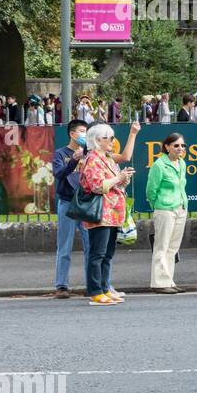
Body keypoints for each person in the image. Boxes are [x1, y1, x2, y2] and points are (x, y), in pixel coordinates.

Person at [80, 123, 135, 306]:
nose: (112, 141)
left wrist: (123, 179)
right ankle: (95, 292)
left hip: (112, 212)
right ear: (96, 140)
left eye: (112, 137)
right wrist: (118, 179)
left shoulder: (108, 158)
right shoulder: (92, 159)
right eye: (108, 138)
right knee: (98, 254)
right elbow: (97, 186)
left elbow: (113, 185)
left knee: (107, 253)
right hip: (100, 212)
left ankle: (104, 288)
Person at [51, 119, 92, 297]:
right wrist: (73, 161)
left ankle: (93, 284)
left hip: (85, 203)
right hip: (67, 203)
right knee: (64, 245)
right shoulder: (60, 154)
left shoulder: (90, 154)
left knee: (91, 246)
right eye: (82, 131)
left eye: (87, 131)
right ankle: (61, 286)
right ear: (72, 134)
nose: (85, 135)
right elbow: (59, 174)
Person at [147, 132, 189, 293]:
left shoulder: (182, 163)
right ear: (167, 147)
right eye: (176, 145)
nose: (180, 148)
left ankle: (169, 280)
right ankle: (159, 282)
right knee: (162, 246)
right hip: (165, 209)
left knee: (173, 247)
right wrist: (158, 205)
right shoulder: (159, 165)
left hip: (180, 207)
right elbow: (151, 190)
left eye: (182, 145)